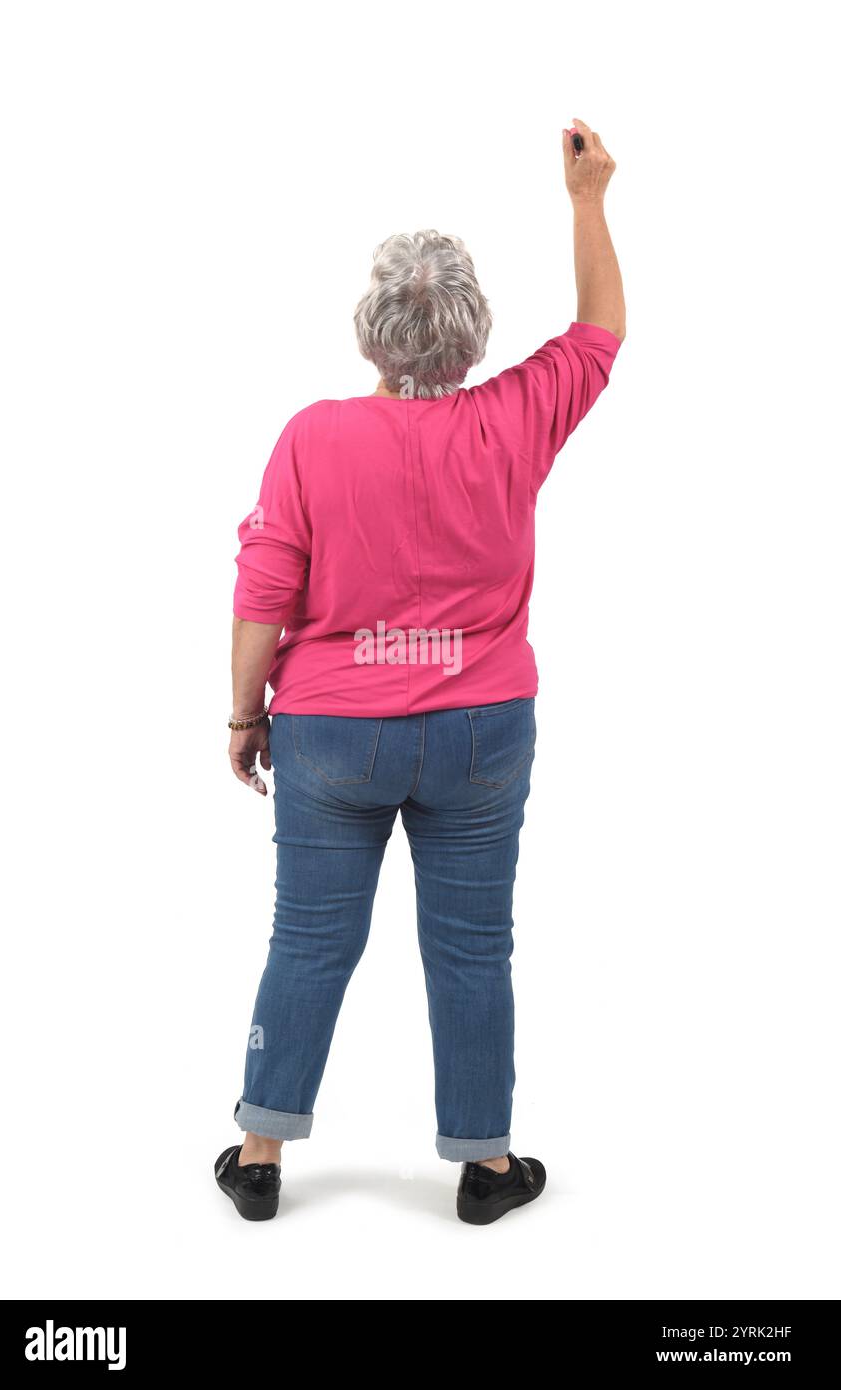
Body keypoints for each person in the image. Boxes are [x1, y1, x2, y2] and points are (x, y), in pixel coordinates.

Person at [215, 118, 625, 1223]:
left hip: (329, 731)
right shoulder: (516, 416)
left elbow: (264, 592)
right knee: (471, 945)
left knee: (307, 937)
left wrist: (241, 713)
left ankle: (259, 1152)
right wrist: (586, 198)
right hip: (481, 727)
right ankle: (485, 1166)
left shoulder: (312, 435)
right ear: (471, 335)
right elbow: (597, 332)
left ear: (372, 335)